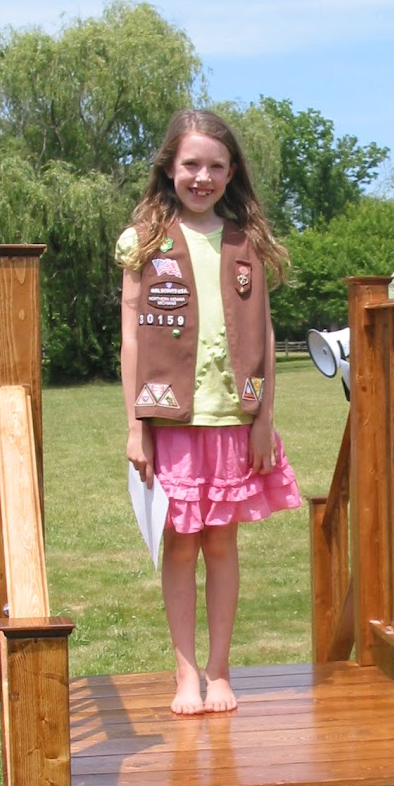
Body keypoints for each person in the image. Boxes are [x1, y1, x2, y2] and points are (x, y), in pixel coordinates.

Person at [117, 109, 301, 717]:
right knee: (178, 547)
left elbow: (266, 333)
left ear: (232, 172)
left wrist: (264, 417)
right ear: (169, 167)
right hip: (169, 423)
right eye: (191, 164)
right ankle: (185, 674)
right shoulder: (144, 241)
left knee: (221, 546)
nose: (203, 176)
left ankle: (221, 672)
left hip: (233, 420)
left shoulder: (246, 240)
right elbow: (132, 341)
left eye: (216, 166)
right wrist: (135, 427)